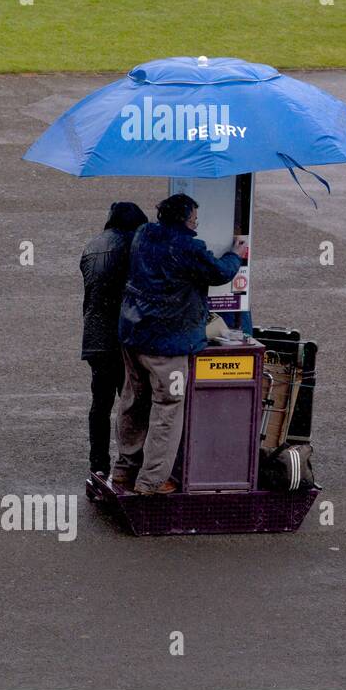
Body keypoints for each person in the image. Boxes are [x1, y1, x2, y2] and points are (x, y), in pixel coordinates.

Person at [113, 193, 246, 495]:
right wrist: (236, 253)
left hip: (134, 336)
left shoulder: (144, 233)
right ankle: (153, 481)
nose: (197, 222)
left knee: (133, 401)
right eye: (194, 217)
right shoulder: (187, 246)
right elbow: (220, 272)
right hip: (168, 345)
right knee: (167, 408)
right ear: (185, 218)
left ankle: (123, 469)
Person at [79, 202, 148, 477]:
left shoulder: (92, 246)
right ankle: (129, 464)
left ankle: (98, 464)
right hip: (122, 338)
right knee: (132, 403)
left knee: (101, 403)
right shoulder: (132, 247)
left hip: (95, 336)